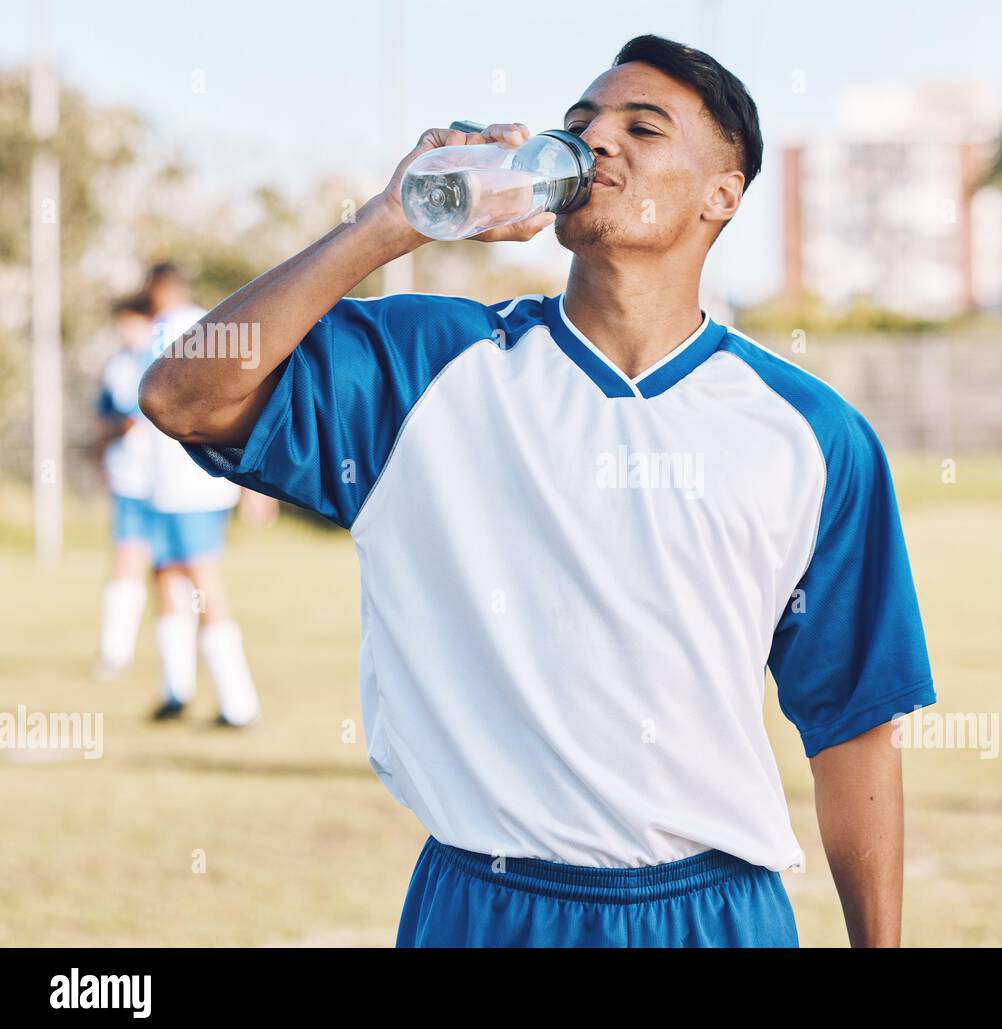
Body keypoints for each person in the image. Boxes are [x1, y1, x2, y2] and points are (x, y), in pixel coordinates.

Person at [140, 35, 935, 948]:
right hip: (485, 904)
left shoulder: (812, 434)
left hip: (716, 914)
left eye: (644, 126)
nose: (598, 141)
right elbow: (183, 396)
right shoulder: (425, 366)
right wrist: (388, 223)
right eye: (580, 123)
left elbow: (855, 721)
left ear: (725, 193)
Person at [141, 263, 265, 728]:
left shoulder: (184, 327)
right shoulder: (208, 322)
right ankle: (177, 690)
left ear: (160, 289)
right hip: (174, 484)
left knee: (202, 582)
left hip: (189, 485)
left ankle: (239, 702)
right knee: (167, 575)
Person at [91, 295, 158, 678]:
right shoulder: (118, 365)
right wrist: (101, 451)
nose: (125, 331)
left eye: (133, 322)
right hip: (131, 480)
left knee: (180, 572)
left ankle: (179, 668)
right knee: (127, 563)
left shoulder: (165, 358)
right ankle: (115, 653)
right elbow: (107, 418)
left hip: (171, 486)